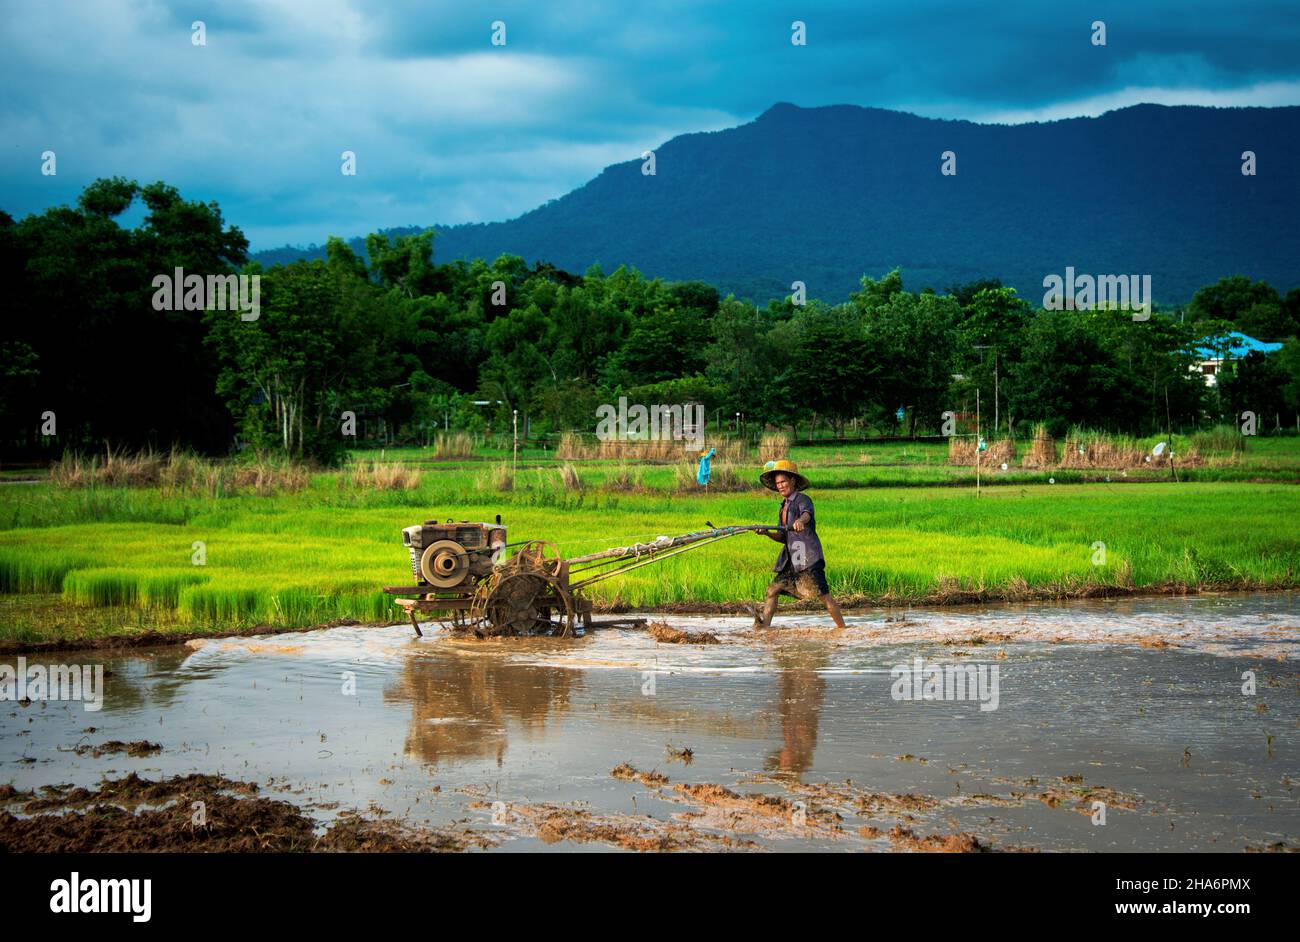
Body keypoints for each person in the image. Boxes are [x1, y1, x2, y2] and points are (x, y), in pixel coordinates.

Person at [750, 459, 847, 630]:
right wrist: (766, 533)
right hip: (793, 558)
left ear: (793, 481)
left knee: (824, 596)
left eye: (783, 482)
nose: (780, 486)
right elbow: (782, 536)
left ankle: (842, 629)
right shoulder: (783, 507)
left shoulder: (803, 499)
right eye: (778, 483)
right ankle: (764, 628)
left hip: (808, 556)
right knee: (772, 590)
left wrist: (800, 522)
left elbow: (806, 514)